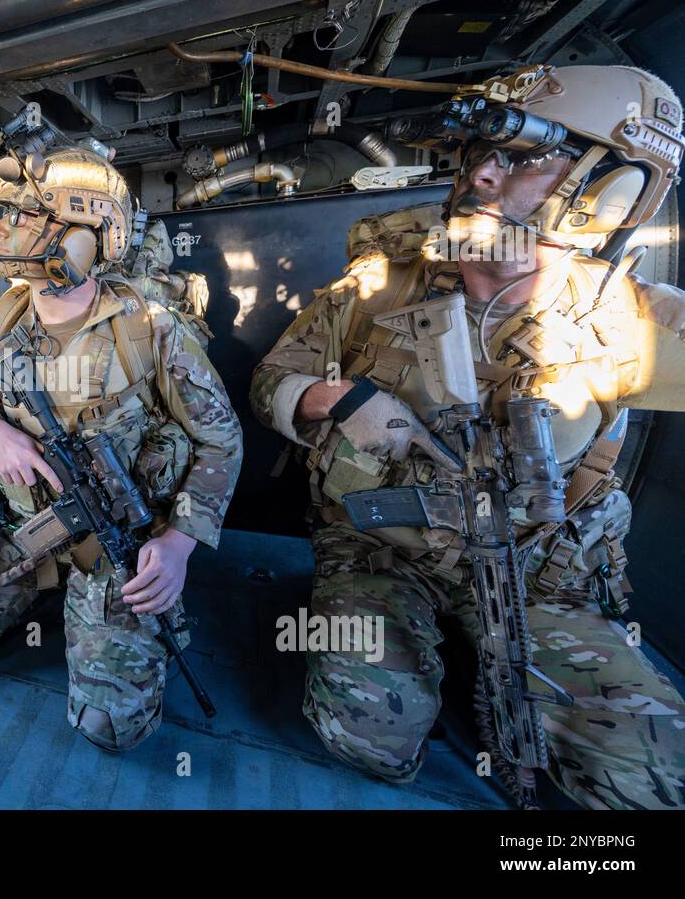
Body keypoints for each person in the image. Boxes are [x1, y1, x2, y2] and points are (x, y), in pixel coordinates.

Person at [249, 63, 685, 808]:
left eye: (522, 158)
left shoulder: (634, 319)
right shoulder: (377, 286)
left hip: (540, 575)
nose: (483, 173)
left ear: (606, 188)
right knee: (366, 734)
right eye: (481, 151)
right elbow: (268, 385)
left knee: (649, 772)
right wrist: (338, 396)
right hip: (381, 548)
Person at [0, 142, 243, 751]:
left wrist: (178, 546)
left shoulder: (150, 328)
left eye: (25, 217)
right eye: (10, 215)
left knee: (110, 730)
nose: (7, 228)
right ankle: (46, 600)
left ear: (81, 238)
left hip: (112, 550)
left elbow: (221, 440)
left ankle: (109, 619)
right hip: (26, 528)